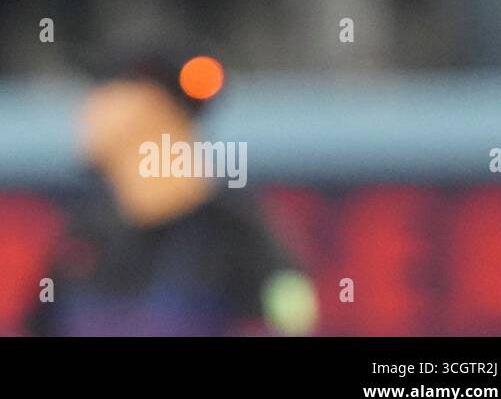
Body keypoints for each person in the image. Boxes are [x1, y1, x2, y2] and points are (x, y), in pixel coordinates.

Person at [27, 56, 316, 336]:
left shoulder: (236, 232)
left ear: (151, 103)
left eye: (103, 90)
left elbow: (291, 317)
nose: (86, 110)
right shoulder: (83, 233)